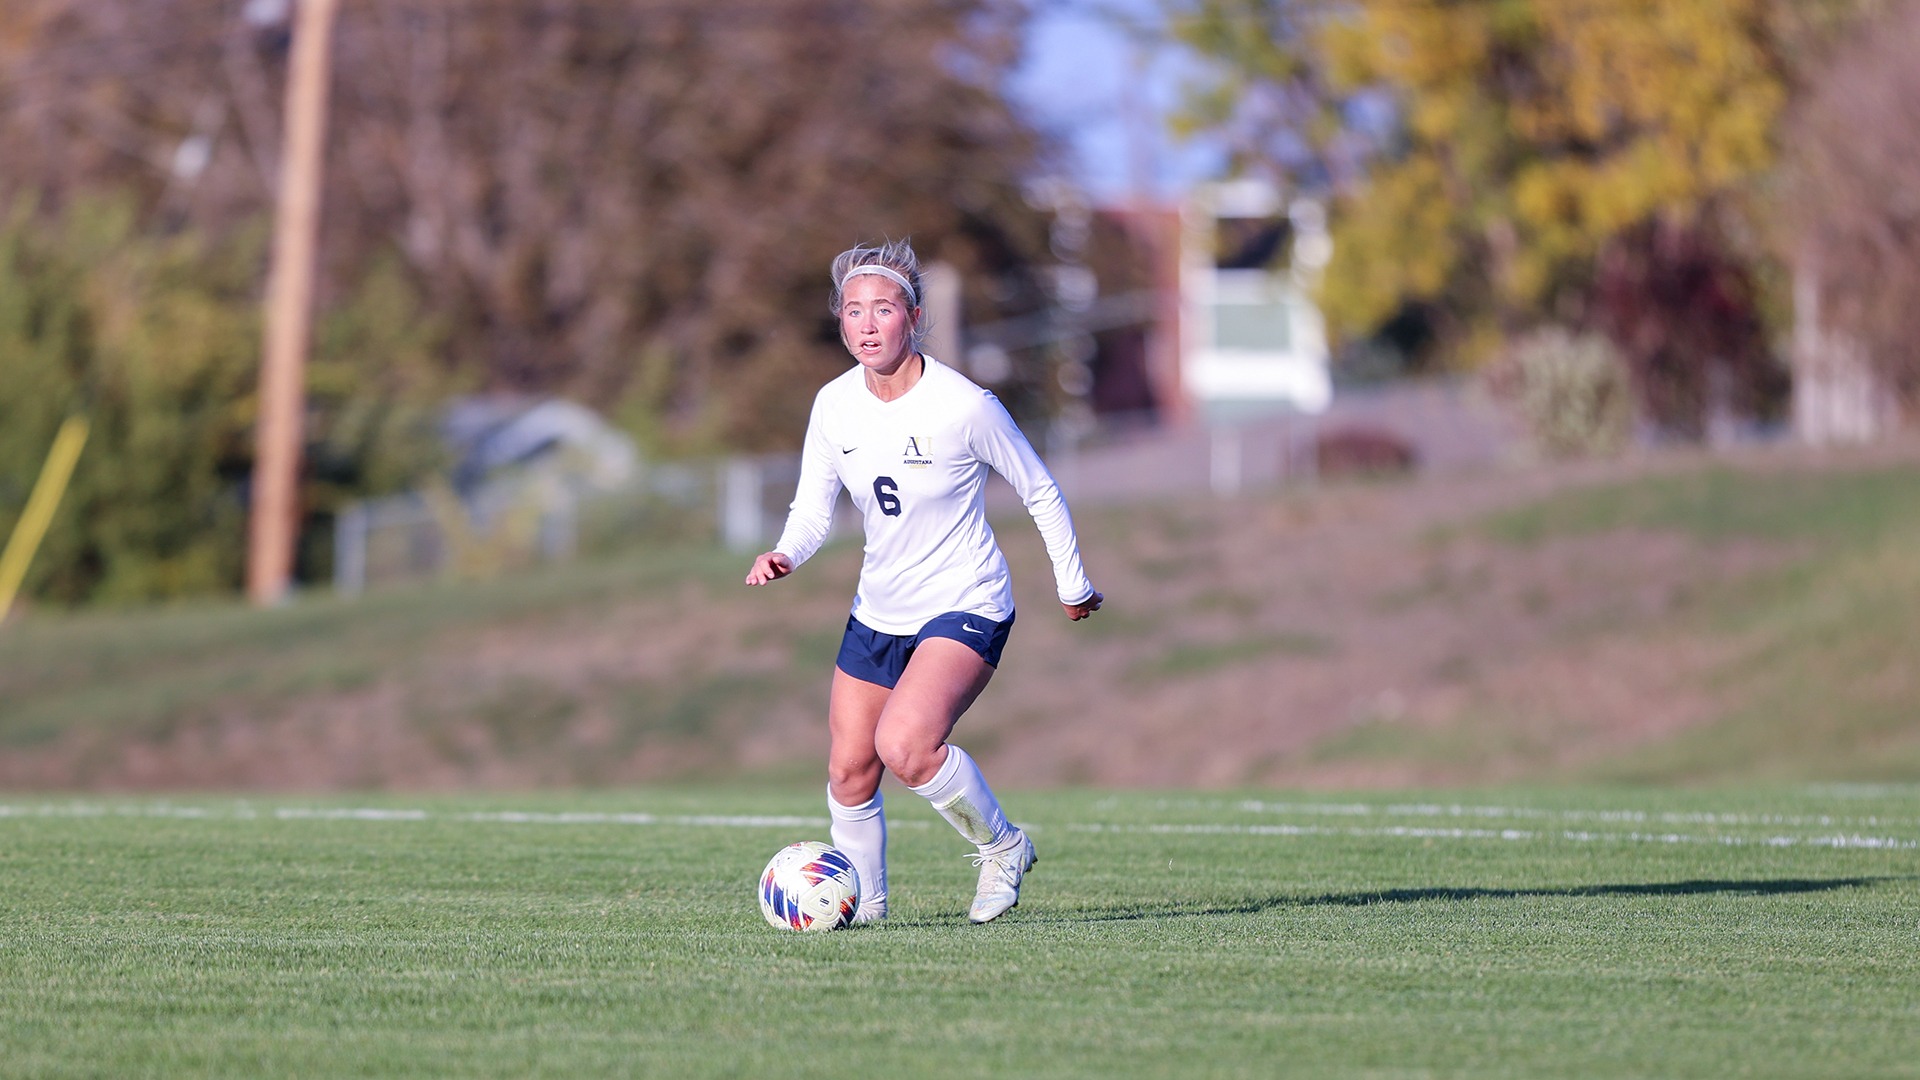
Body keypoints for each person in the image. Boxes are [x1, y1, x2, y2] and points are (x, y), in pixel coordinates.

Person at [745, 239, 1102, 925]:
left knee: (905, 745)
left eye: (883, 309)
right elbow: (813, 509)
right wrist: (786, 554)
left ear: (913, 317)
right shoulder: (834, 405)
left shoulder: (963, 405)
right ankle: (867, 908)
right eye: (853, 311)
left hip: (965, 602)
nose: (868, 324)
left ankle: (1003, 848)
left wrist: (1073, 584)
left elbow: (1040, 490)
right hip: (879, 610)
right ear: (841, 322)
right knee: (850, 769)